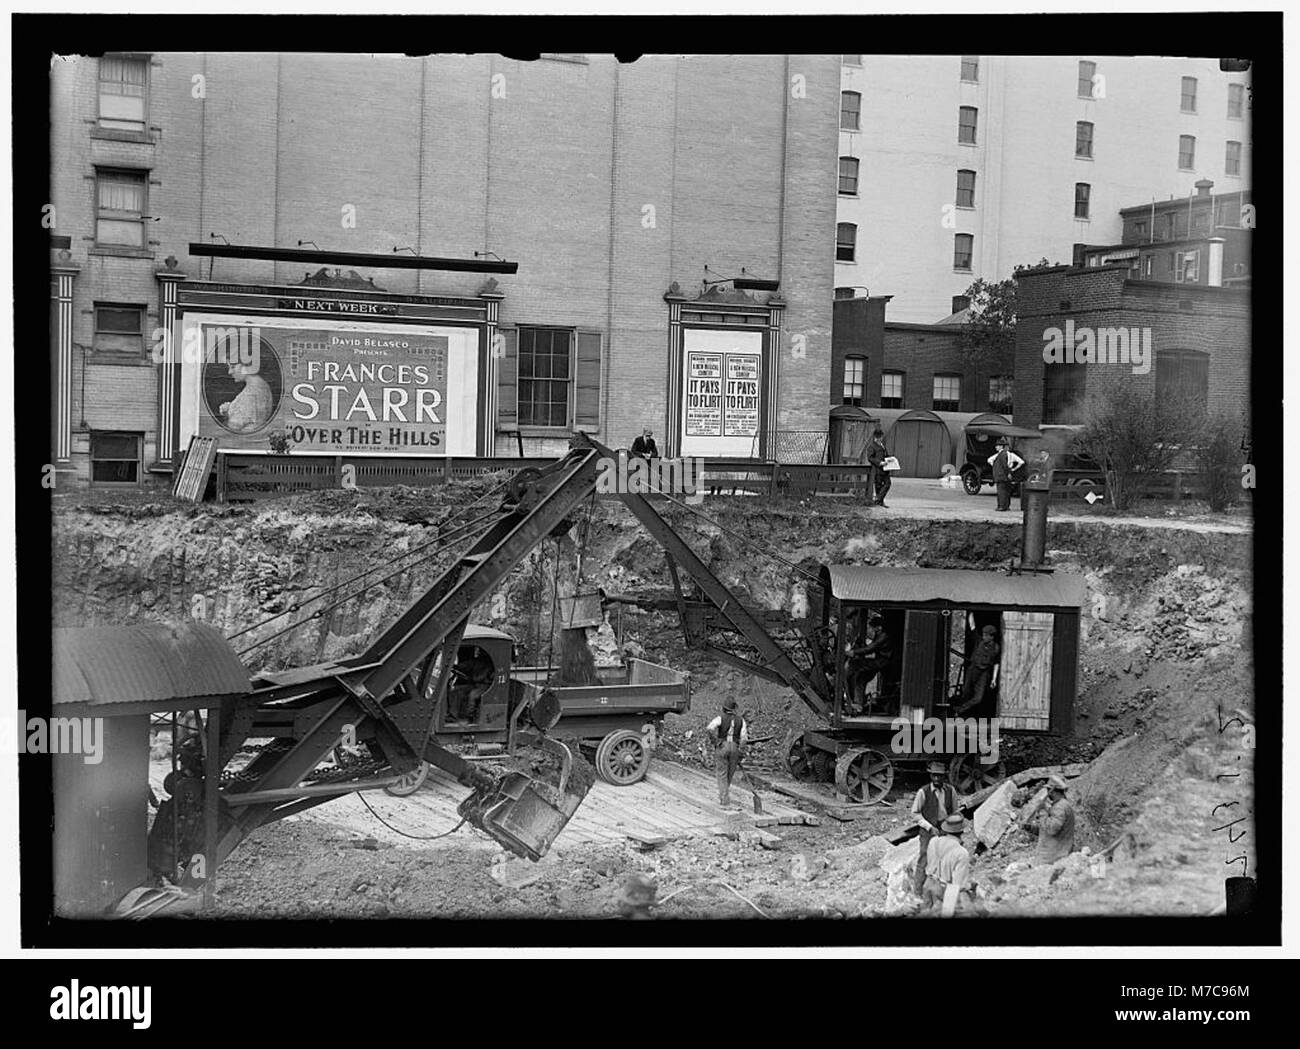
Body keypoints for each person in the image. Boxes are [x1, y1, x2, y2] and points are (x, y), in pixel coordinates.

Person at [911, 760, 957, 897]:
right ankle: (918, 894)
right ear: (931, 776)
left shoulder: (951, 791)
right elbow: (915, 814)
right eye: (934, 776)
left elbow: (955, 812)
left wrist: (950, 827)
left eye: (940, 776)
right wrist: (929, 827)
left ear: (944, 776)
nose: (937, 779)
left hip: (945, 829)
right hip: (928, 830)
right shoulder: (923, 792)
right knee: (924, 859)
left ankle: (945, 894)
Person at [921, 814, 973, 916]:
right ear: (962, 831)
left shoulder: (933, 841)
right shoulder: (961, 853)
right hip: (943, 891)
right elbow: (957, 885)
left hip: (928, 884)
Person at [847, 613, 894, 712]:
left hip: (882, 662)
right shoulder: (880, 634)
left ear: (879, 627)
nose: (872, 629)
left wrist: (854, 652)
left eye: (873, 627)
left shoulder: (883, 636)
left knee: (856, 665)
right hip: (880, 661)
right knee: (861, 678)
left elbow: (871, 648)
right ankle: (858, 703)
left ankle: (851, 696)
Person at [706, 698, 748, 808]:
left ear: (724, 708)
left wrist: (715, 741)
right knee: (730, 773)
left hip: (722, 746)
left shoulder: (720, 718)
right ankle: (724, 795)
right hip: (735, 747)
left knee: (721, 773)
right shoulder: (741, 720)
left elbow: (710, 728)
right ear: (734, 709)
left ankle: (724, 799)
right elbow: (744, 739)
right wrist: (741, 752)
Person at [1032, 775, 1076, 865]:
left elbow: (1052, 829)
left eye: (1048, 790)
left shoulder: (1060, 807)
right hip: (1057, 853)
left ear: (1052, 791)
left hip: (1054, 856)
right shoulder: (1061, 805)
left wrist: (1042, 811)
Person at [956, 624, 1000, 714]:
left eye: (986, 635)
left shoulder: (995, 648)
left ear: (991, 636)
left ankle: (960, 710)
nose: (983, 636)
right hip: (973, 669)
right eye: (983, 634)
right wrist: (970, 611)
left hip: (983, 674)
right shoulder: (978, 641)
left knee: (978, 698)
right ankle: (958, 710)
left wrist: (994, 679)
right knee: (965, 692)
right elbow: (972, 625)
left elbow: (996, 663)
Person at [448, 645, 494, 723]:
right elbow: (465, 666)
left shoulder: (491, 664)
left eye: (481, 652)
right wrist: (454, 666)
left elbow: (491, 676)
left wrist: (484, 677)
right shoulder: (476, 662)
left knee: (472, 695)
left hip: (485, 686)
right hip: (474, 685)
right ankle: (453, 715)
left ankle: (468, 717)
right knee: (456, 690)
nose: (479, 653)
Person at [987, 438, 1025, 512]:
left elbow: (1004, 465)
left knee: (1001, 491)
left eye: (997, 446)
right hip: (1005, 474)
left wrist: (1006, 472)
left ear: (1001, 446)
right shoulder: (1007, 454)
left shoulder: (1001, 454)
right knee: (1006, 491)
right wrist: (1013, 470)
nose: (996, 447)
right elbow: (1021, 462)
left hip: (1002, 475)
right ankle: (1006, 506)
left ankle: (1001, 506)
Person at [866, 427, 891, 507]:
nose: (880, 439)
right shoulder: (872, 446)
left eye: (881, 437)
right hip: (877, 469)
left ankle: (878, 499)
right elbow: (870, 458)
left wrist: (890, 460)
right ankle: (880, 501)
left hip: (885, 468)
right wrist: (879, 462)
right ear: (875, 437)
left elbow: (885, 455)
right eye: (878, 437)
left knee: (888, 483)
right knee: (878, 485)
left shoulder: (882, 446)